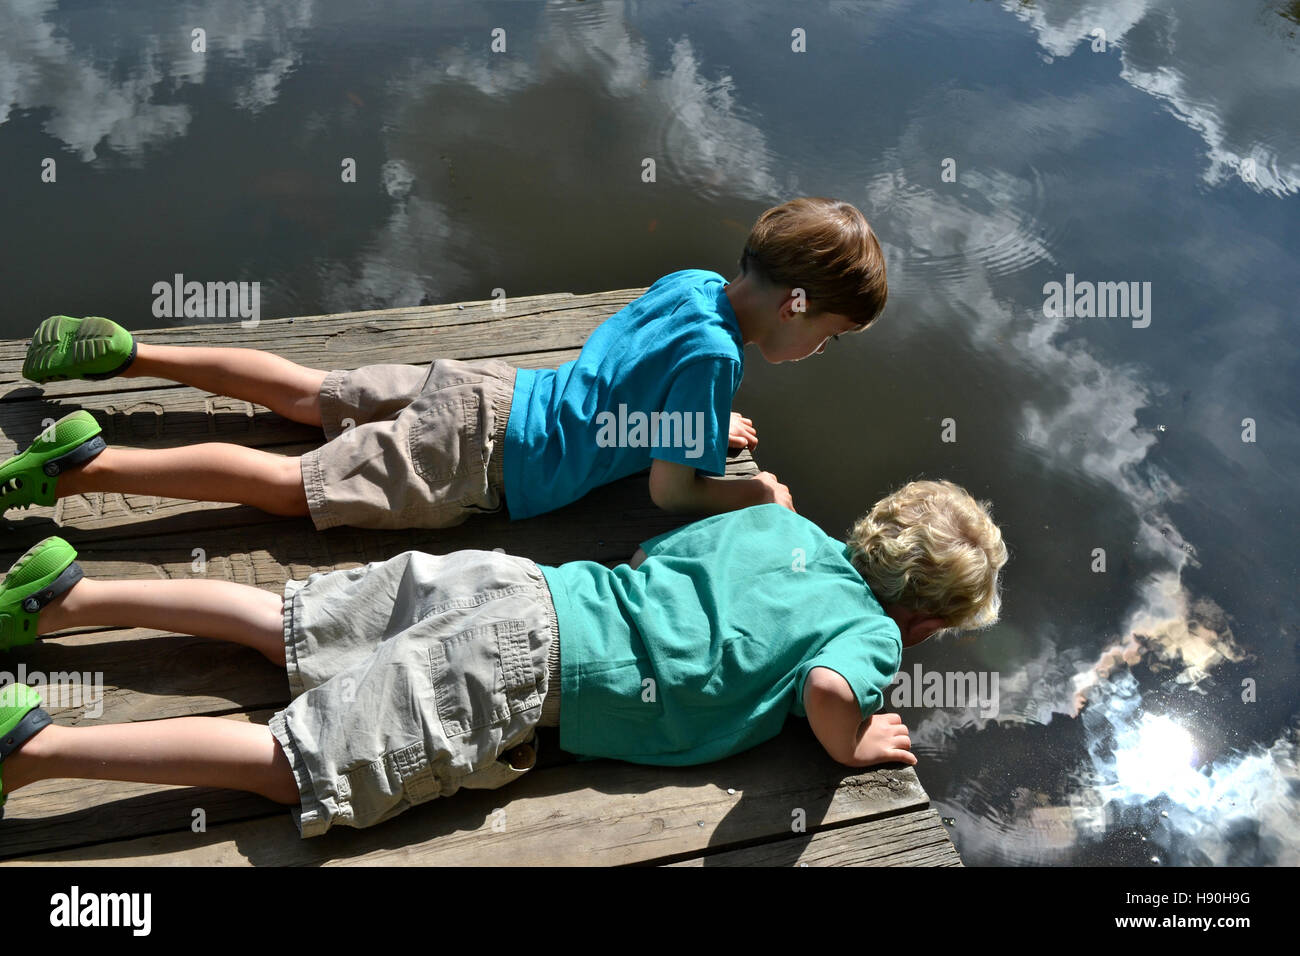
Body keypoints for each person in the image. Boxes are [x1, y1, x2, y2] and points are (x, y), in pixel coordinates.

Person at [0, 480, 1006, 838]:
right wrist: (856, 736)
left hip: (520, 585)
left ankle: (74, 594)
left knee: (289, 621)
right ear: (922, 624)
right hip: (521, 669)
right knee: (297, 761)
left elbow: (656, 553)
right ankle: (37, 751)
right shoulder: (870, 636)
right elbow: (830, 690)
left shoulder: (775, 525)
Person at [0, 197, 887, 528]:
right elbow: (671, 491)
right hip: (483, 460)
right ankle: (86, 471)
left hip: (488, 390)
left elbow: (630, 373)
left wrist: (697, 426)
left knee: (310, 393)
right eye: (831, 333)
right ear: (797, 303)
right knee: (292, 482)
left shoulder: (696, 285)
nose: (820, 351)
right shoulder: (714, 365)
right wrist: (753, 489)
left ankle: (126, 351)